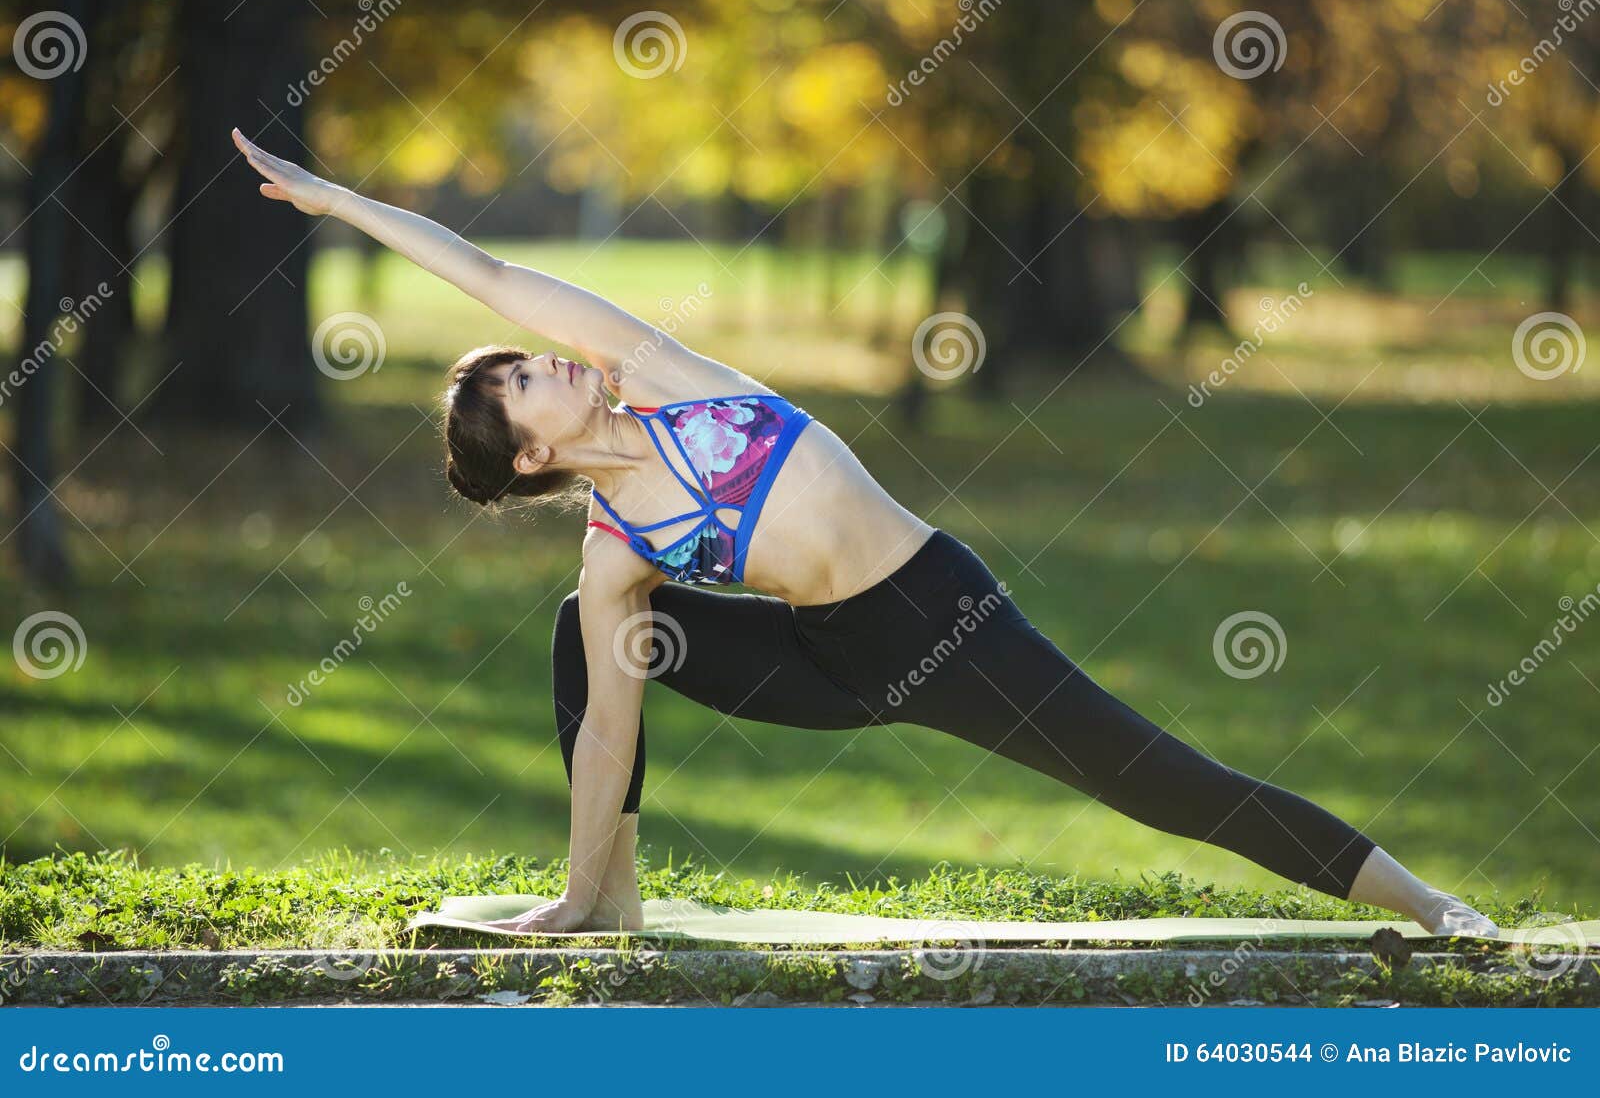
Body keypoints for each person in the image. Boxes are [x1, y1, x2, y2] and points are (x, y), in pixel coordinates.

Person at [233, 128, 1498, 938]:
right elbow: (610, 724)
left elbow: (488, 275)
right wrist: (569, 886)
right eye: (526, 383)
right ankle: (600, 903)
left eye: (531, 361)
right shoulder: (615, 544)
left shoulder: (660, 372)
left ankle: (1427, 904)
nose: (548, 360)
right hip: (826, 659)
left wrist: (340, 200)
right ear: (531, 455)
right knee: (588, 637)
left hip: (939, 617)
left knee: (1156, 778)